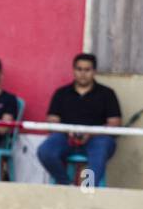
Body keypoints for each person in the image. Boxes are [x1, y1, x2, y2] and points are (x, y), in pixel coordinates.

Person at [38, 52, 121, 185]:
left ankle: (87, 189)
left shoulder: (107, 94)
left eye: (87, 70)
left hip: (96, 139)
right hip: (66, 138)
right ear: (74, 70)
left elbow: (115, 123)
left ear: (94, 71)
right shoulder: (61, 93)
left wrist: (91, 133)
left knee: (100, 150)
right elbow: (52, 119)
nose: (83, 73)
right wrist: (68, 131)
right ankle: (66, 184)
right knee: (45, 151)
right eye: (79, 69)